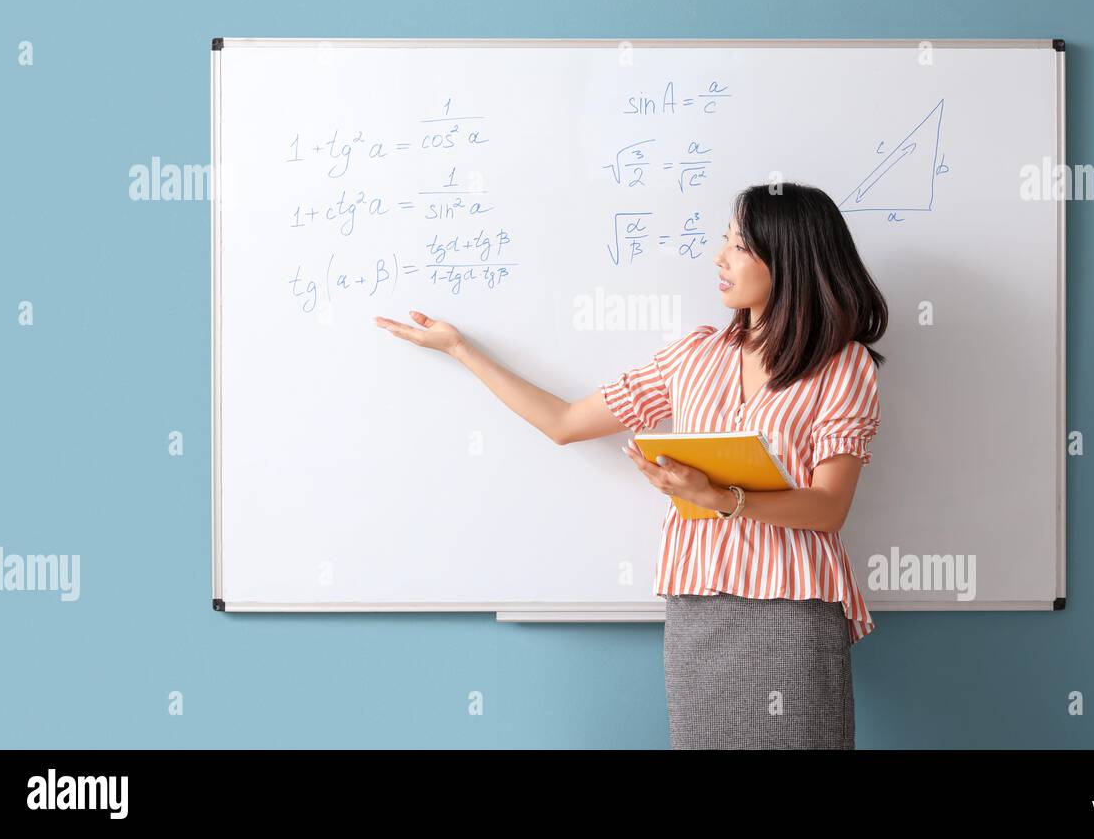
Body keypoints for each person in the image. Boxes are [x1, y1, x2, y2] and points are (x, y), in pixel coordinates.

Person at [374, 181, 887, 749]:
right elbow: (566, 422)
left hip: (795, 607)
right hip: (700, 606)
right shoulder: (694, 356)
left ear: (786, 256)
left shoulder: (843, 366)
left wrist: (721, 498)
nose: (719, 257)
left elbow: (829, 507)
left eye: (738, 246)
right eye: (725, 241)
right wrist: (459, 349)